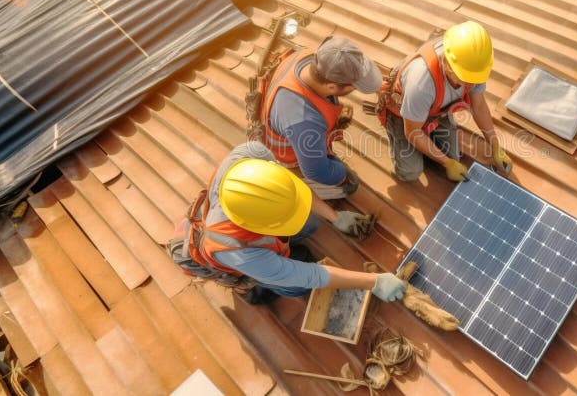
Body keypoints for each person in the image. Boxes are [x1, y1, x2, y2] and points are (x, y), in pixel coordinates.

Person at [185, 141, 406, 304]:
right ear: (260, 225)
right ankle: (256, 288)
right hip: (248, 263)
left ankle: (283, 253)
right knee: (295, 287)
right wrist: (374, 282)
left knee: (310, 223)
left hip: (259, 239)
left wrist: (336, 217)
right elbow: (311, 275)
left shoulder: (250, 155)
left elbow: (289, 189)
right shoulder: (238, 252)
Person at [380, 21, 512, 182]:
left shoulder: (473, 64)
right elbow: (412, 132)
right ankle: (400, 138)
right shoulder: (421, 85)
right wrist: (446, 163)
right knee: (410, 172)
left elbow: (479, 106)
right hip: (403, 114)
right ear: (447, 64)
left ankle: (428, 139)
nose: (470, 83)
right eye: (466, 78)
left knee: (455, 156)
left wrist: (495, 145)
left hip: (435, 110)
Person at [260, 36, 381, 199]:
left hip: (289, 124)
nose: (355, 90)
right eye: (354, 86)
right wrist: (342, 172)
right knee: (349, 183)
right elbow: (316, 172)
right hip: (288, 157)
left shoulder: (309, 55)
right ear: (331, 86)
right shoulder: (304, 120)